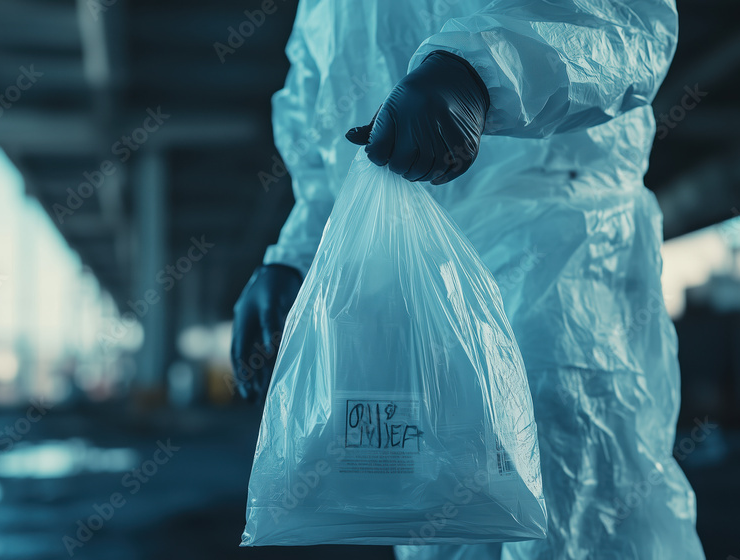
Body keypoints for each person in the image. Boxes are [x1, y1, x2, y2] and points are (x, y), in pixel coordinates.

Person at [231, 1, 706, 558]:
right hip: (412, 279)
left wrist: (480, 69)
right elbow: (323, 130)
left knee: (584, 504)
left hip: (560, 251)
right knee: (438, 515)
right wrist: (295, 256)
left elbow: (632, 20)